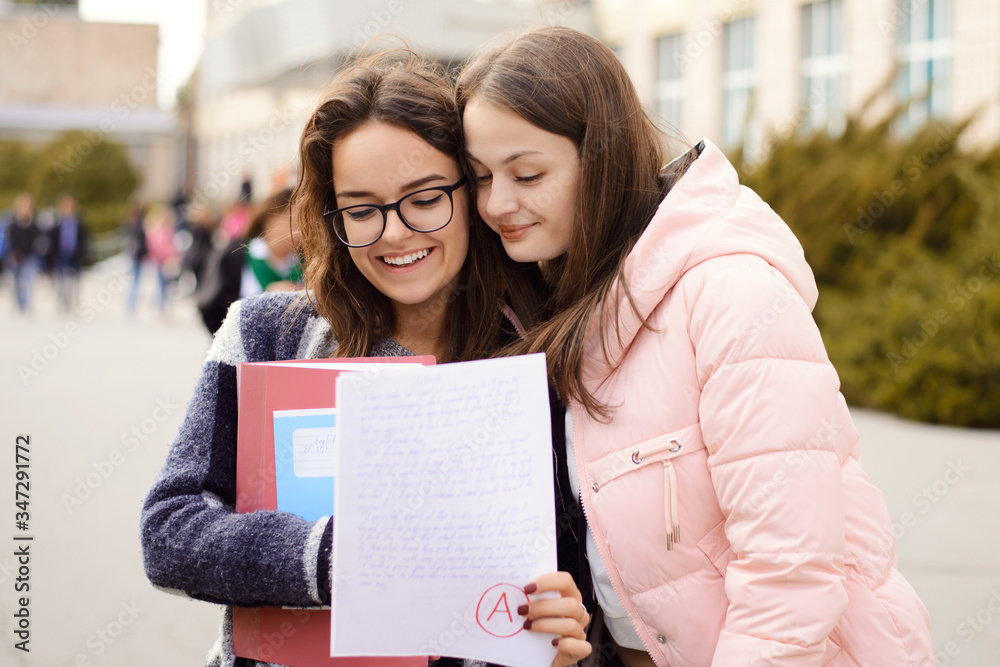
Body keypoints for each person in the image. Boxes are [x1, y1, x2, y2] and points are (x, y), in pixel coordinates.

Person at [458, 25, 934, 667]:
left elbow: (789, 575)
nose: (498, 203)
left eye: (527, 173)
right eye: (481, 177)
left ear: (601, 157)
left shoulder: (732, 294)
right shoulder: (566, 304)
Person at [141, 50, 591, 667]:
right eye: (361, 210)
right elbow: (169, 533)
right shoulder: (267, 335)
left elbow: (575, 595)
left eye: (425, 198)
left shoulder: (538, 360)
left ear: (472, 188)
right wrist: (338, 559)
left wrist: (564, 642)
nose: (395, 233)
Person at [195, 188, 303, 334]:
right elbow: (212, 308)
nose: (298, 233)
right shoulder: (237, 255)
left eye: (304, 225)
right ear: (269, 220)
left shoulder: (309, 263)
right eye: (292, 224)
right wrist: (265, 299)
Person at [52, 194, 89, 311]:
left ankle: (75, 302)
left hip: (75, 255)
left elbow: (84, 240)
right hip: (61, 254)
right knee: (61, 279)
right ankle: (63, 302)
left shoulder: (79, 223)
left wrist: (83, 253)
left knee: (76, 280)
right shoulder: (58, 223)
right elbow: (53, 240)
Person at [5, 192, 39, 313]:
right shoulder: (13, 220)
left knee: (28, 278)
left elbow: (37, 238)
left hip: (30, 255)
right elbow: (10, 238)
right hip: (16, 255)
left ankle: (28, 303)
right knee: (17, 279)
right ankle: (20, 303)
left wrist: (28, 222)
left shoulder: (34, 220)